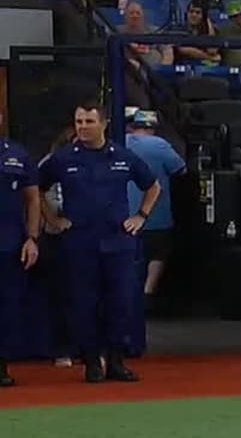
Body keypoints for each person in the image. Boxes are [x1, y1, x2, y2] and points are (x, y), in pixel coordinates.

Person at [37, 103, 160, 383]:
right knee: (84, 303)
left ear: (103, 124)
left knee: (120, 302)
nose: (82, 127)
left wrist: (141, 216)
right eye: (79, 121)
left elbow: (152, 186)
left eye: (89, 121)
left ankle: (116, 361)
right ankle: (92, 362)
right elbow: (37, 190)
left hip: (117, 241)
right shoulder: (63, 158)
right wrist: (53, 221)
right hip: (80, 241)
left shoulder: (123, 156)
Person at [123, 110, 185, 310]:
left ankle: (129, 294)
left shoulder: (118, 143)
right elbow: (180, 169)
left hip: (126, 213)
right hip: (157, 215)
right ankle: (148, 293)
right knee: (158, 253)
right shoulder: (160, 144)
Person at [0, 132, 40, 388]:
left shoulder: (17, 154)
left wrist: (32, 238)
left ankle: (1, 364)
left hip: (10, 244)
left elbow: (33, 198)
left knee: (7, 307)